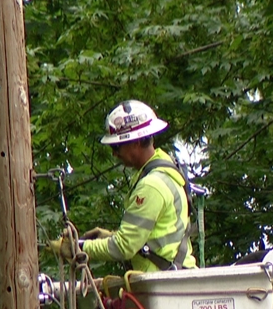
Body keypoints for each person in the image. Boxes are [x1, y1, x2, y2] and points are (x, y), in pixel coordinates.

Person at [52, 100, 197, 272]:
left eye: (117, 146)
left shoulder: (151, 185)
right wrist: (109, 237)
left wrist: (78, 248)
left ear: (136, 142)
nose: (114, 153)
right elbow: (149, 238)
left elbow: (124, 247)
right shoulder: (165, 171)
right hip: (172, 276)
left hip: (164, 280)